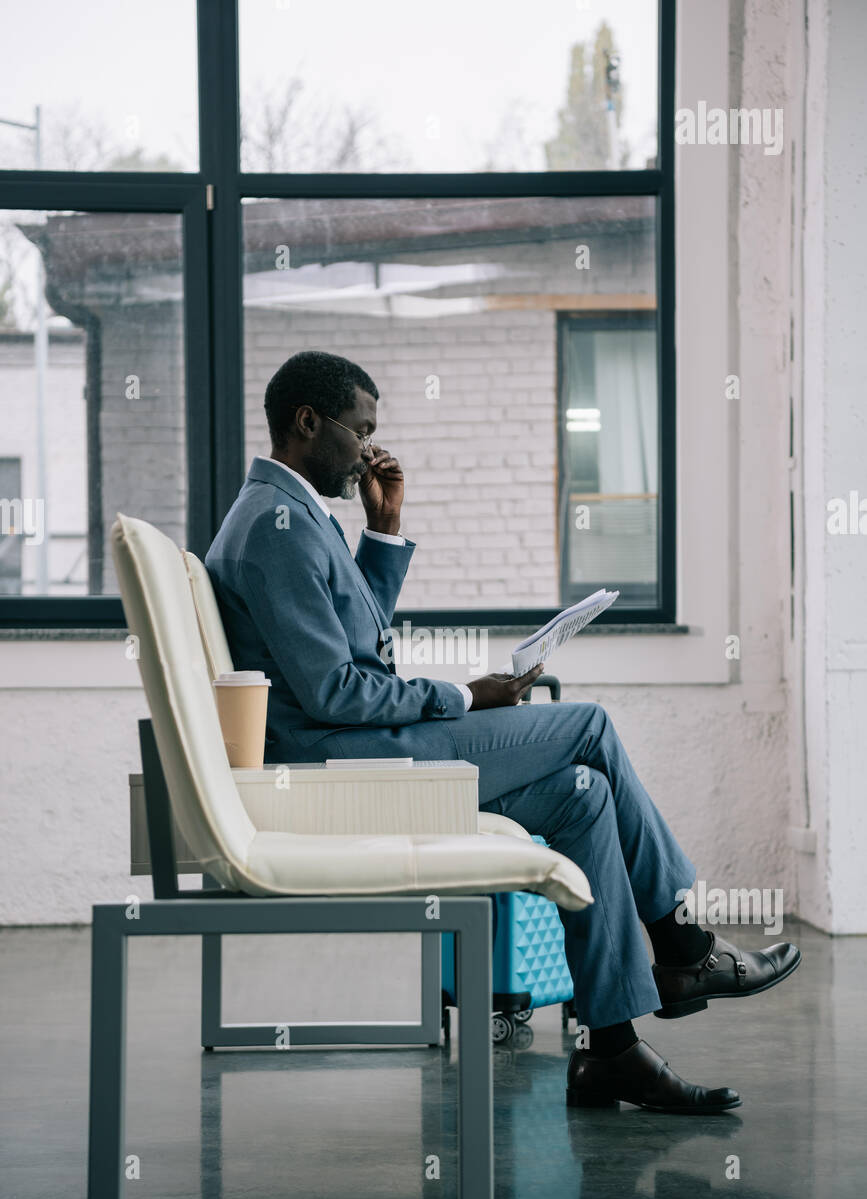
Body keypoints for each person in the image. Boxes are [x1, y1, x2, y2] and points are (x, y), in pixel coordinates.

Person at [205, 350, 801, 1114]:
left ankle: (610, 1050)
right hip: (341, 762)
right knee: (587, 724)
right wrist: (464, 693)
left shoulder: (289, 515)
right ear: (307, 421)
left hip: (353, 746)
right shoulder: (276, 524)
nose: (367, 452)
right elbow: (335, 692)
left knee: (582, 794)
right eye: (360, 432)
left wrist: (383, 535)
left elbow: (356, 649)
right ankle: (684, 947)